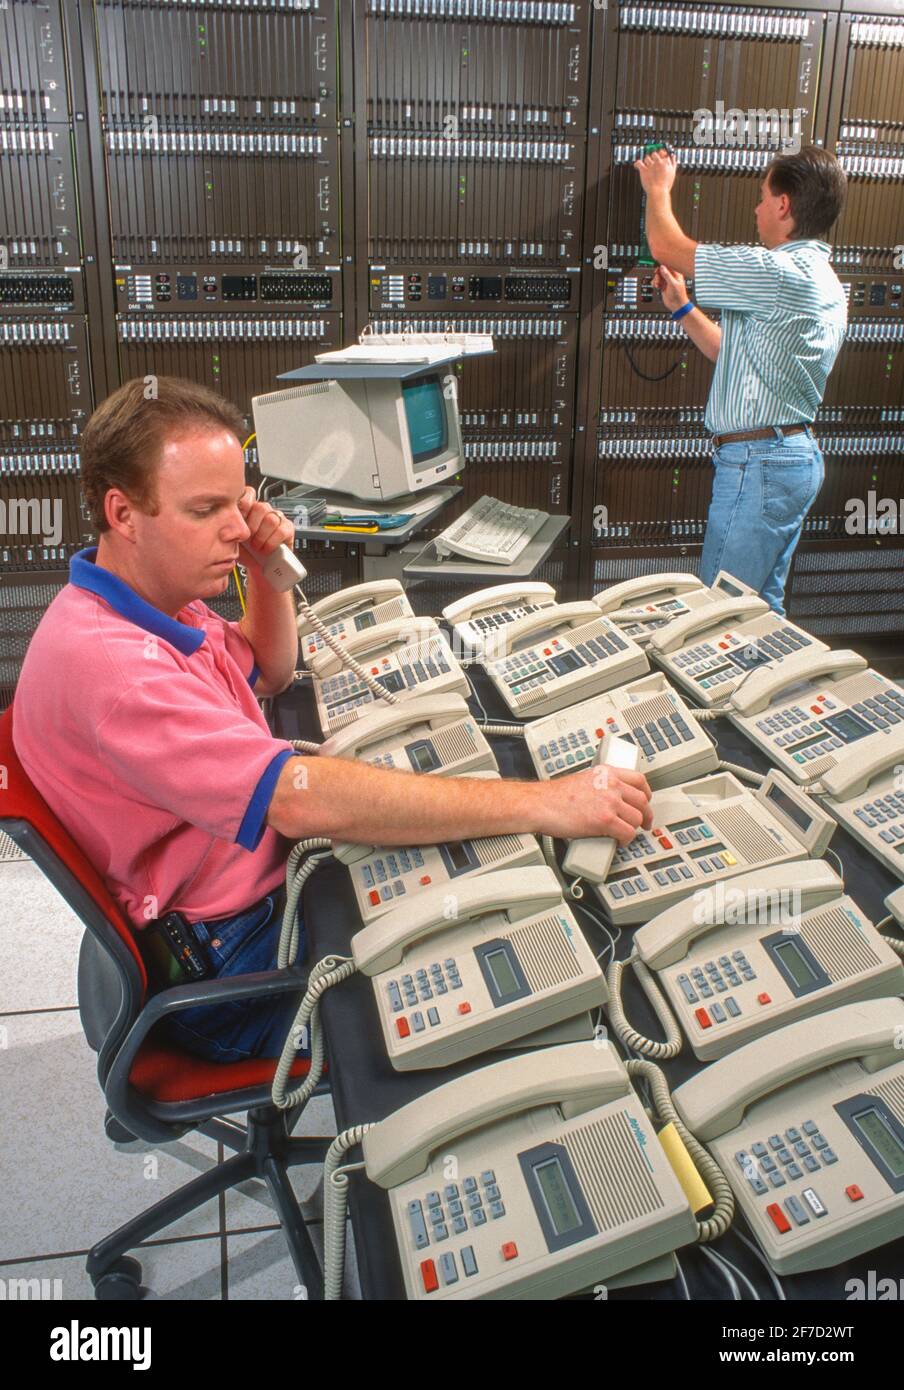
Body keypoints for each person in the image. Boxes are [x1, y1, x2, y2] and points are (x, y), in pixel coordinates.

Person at [13, 377, 653, 1063]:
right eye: (205, 510)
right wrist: (546, 802)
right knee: (519, 970)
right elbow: (294, 799)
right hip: (232, 963)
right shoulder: (115, 668)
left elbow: (270, 670)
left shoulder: (150, 595)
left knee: (486, 860)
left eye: (239, 502)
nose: (234, 527)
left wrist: (263, 570)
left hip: (235, 901)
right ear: (123, 512)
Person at [634, 144, 848, 614]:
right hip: (791, 458)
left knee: (719, 615)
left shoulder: (777, 270)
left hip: (760, 464)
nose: (755, 207)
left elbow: (666, 247)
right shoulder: (824, 278)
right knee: (761, 610)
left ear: (783, 205)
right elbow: (733, 354)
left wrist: (658, 187)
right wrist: (683, 308)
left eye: (761, 196)